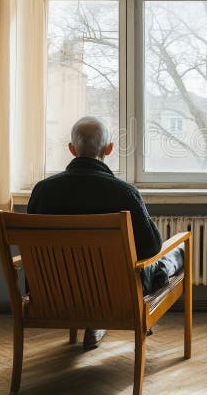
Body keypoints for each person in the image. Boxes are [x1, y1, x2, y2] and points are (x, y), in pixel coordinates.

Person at [27, 116, 183, 350]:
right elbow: (151, 247)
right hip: (116, 296)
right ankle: (108, 317)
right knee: (177, 250)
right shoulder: (125, 194)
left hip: (57, 293)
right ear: (109, 149)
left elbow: (32, 246)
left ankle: (95, 321)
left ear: (72, 149)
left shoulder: (42, 192)